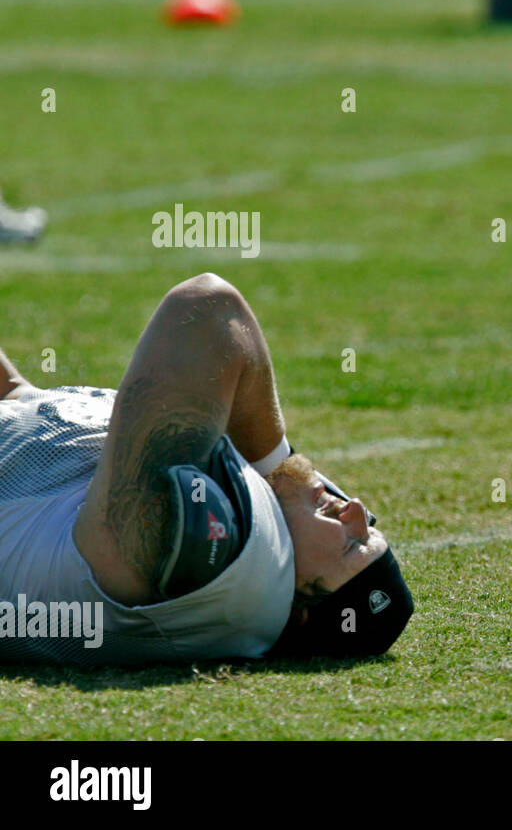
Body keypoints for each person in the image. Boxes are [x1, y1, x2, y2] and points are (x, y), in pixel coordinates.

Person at [0, 273, 413, 663]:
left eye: (353, 544)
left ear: (299, 612)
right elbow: (19, 400)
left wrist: (279, 462)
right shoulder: (220, 543)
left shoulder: (234, 575)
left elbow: (208, 307)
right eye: (369, 525)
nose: (354, 508)